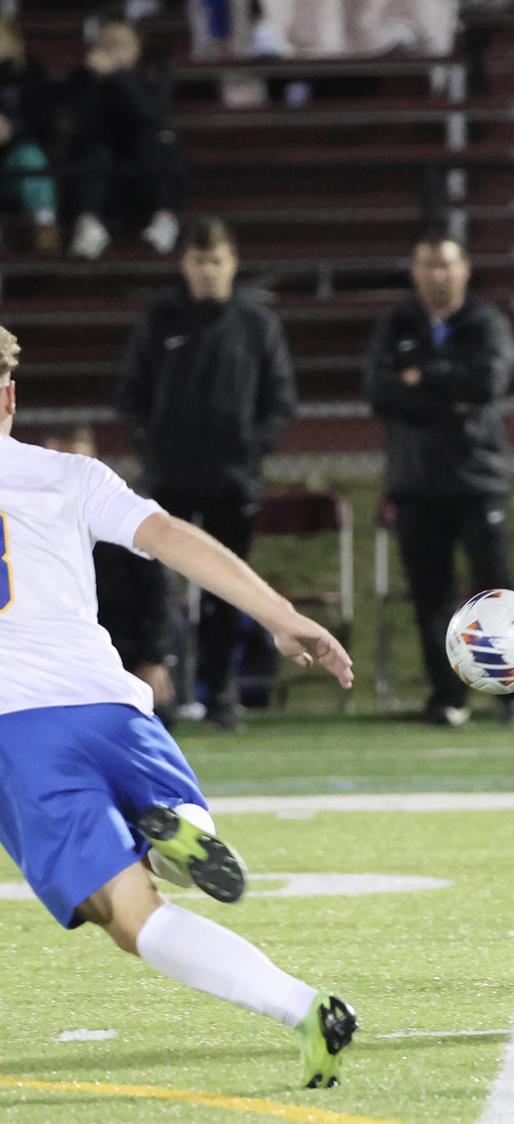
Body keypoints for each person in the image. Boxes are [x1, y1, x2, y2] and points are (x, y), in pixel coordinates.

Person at [0, 325, 357, 1089]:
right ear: (9, 398)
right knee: (162, 847)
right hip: (114, 706)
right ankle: (183, 832)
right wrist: (279, 614)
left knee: (132, 918)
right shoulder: (69, 472)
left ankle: (302, 1006)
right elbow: (167, 536)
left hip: (18, 733)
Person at [115, 216, 296, 732]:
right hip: (168, 478)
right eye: (198, 261)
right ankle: (156, 691)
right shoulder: (161, 320)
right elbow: (130, 393)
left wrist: (251, 450)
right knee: (155, 588)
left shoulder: (257, 324)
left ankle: (219, 693)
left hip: (231, 480)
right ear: (185, 265)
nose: (207, 271)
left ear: (232, 263)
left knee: (227, 589)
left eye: (216, 261)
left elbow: (280, 398)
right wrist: (153, 446)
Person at [364, 231, 514, 728]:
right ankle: (448, 695)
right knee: (430, 596)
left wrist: (420, 380)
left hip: (476, 478)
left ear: (465, 270)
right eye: (428, 265)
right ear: (414, 272)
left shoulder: (485, 323)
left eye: (446, 265)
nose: (437, 275)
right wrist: (447, 395)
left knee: (494, 591)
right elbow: (379, 391)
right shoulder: (397, 325)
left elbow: (486, 383)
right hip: (415, 480)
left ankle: (511, 692)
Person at [44, 425, 177, 718]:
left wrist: (154, 657)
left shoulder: (121, 511)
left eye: (72, 458)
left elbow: (160, 592)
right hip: (59, 653)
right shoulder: (29, 517)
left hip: (124, 648)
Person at [65, 18, 185, 260]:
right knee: (94, 148)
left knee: (162, 141)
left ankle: (165, 218)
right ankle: (88, 224)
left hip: (144, 167)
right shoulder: (84, 77)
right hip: (104, 169)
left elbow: (152, 115)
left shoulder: (155, 72)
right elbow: (82, 122)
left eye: (121, 44)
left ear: (137, 48)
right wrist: (95, 79)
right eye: (107, 45)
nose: (114, 52)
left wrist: (118, 76)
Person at [1, 14, 59, 254]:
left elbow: (46, 125)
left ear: (14, 40)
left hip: (16, 162)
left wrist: (12, 129)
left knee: (29, 157)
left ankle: (45, 227)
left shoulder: (31, 73)